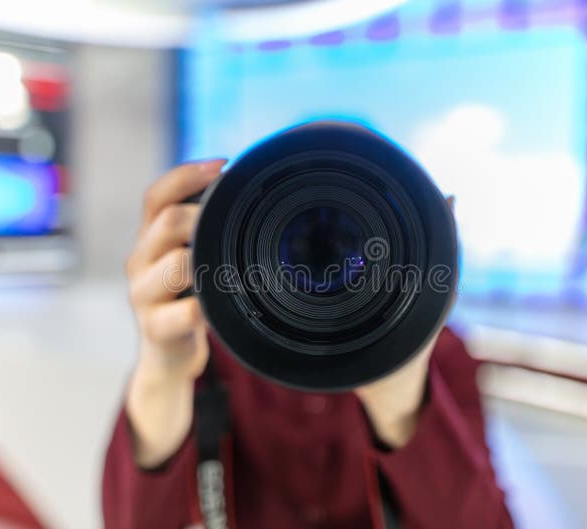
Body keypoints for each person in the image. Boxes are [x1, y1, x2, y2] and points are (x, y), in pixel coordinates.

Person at [102, 160, 514, 529]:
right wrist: (163, 369)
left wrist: (401, 386)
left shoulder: (440, 353)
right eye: (296, 224)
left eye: (352, 225)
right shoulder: (214, 343)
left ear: (410, 238)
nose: (324, 254)